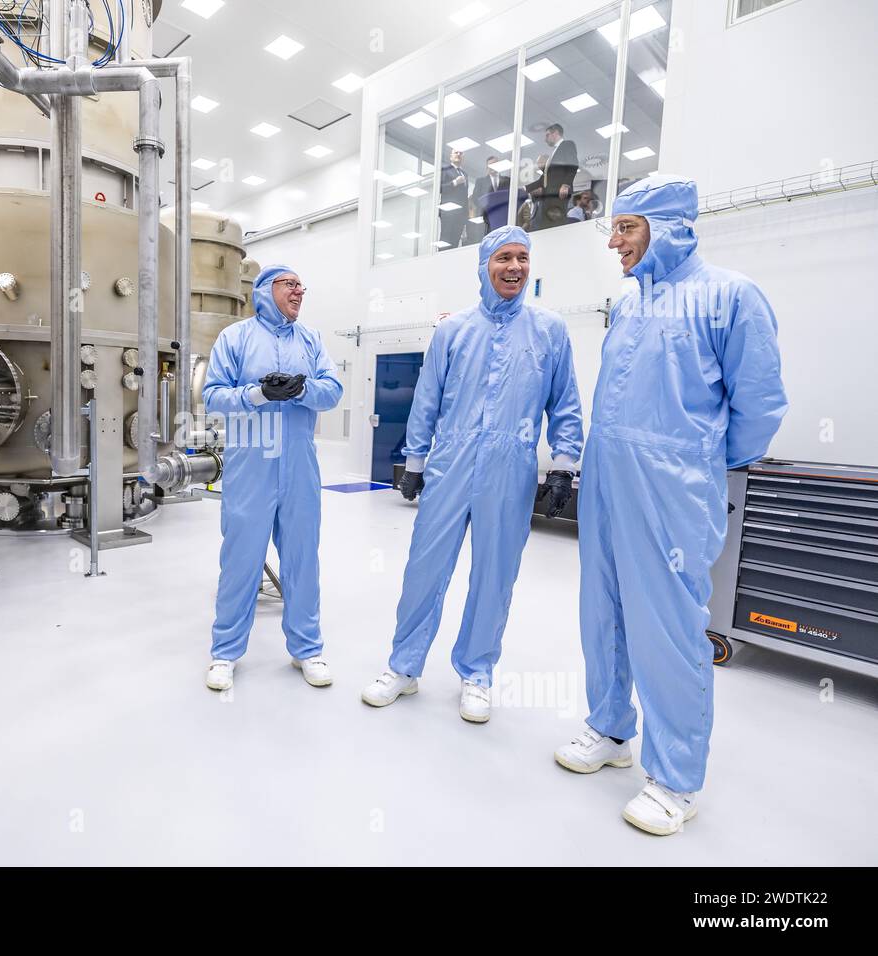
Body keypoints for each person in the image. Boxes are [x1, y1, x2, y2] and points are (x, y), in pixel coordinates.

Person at [555, 175, 788, 835]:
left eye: (626, 228)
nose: (615, 243)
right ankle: (609, 728)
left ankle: (676, 778)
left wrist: (696, 460)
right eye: (615, 229)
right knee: (603, 609)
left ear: (671, 227)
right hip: (607, 477)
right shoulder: (628, 306)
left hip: (672, 485)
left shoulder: (730, 297)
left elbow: (761, 405)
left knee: (669, 626)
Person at [362, 226, 583, 721]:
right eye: (504, 258)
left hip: (512, 466)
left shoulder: (550, 331)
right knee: (425, 567)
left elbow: (565, 401)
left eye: (523, 258)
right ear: (484, 266)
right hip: (451, 462)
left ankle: (477, 672)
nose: (515, 268)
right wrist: (414, 462)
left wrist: (564, 465)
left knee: (495, 574)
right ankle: (404, 666)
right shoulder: (453, 330)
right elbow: (427, 401)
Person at [202, 265, 344, 692]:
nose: (299, 291)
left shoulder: (312, 340)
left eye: (302, 285)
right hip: (251, 461)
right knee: (241, 559)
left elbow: (333, 389)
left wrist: (300, 390)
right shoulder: (235, 338)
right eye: (290, 284)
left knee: (303, 557)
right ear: (265, 291)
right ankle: (225, 653)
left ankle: (307, 649)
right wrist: (259, 394)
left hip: (300, 462)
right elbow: (212, 396)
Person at [528, 124, 579, 230]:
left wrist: (565, 185)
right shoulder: (554, 153)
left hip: (558, 194)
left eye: (547, 135)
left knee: (556, 225)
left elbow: (573, 164)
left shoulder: (567, 144)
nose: (545, 139)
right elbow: (547, 178)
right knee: (547, 226)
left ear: (555, 133)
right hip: (549, 197)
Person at [438, 148, 469, 249]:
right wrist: (454, 182)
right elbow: (439, 188)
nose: (459, 154)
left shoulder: (465, 174)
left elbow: (464, 196)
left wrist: (466, 215)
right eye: (456, 153)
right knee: (446, 239)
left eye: (461, 153)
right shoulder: (445, 170)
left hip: (460, 213)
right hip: (449, 211)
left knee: (455, 241)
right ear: (451, 156)